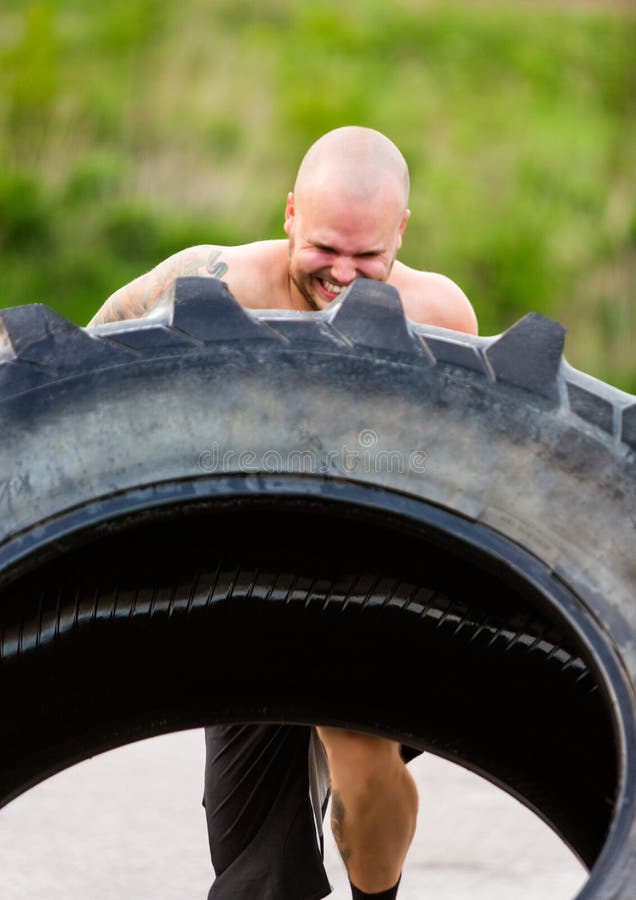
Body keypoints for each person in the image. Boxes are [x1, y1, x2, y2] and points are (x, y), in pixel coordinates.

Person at [87, 126, 478, 900]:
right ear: (292, 212)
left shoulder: (436, 317)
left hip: (371, 586)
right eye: (326, 247)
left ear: (402, 231)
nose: (344, 274)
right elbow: (68, 369)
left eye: (368, 257)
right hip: (247, 589)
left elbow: (473, 470)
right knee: (258, 877)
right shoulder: (211, 287)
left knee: (362, 756)